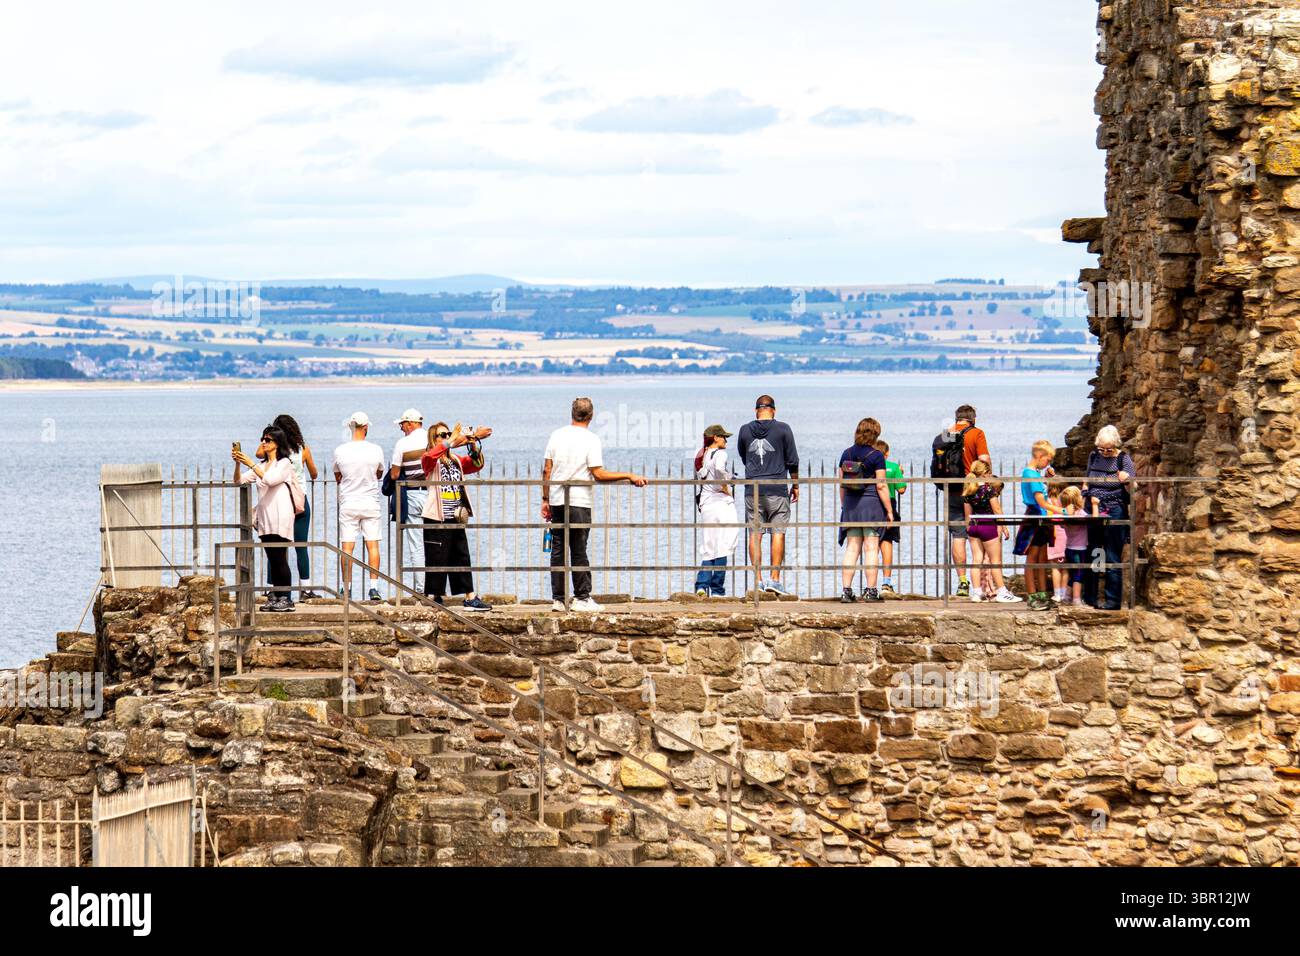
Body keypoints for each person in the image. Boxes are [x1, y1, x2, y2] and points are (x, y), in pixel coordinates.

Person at [542, 397, 647, 612]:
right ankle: (582, 597)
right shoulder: (591, 439)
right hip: (579, 501)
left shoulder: (556, 435)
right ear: (591, 416)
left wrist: (545, 499)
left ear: (572, 413)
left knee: (558, 550)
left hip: (557, 500)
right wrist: (629, 475)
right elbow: (598, 474)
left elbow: (547, 470)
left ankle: (559, 600)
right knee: (579, 549)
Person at [420, 421, 493, 611]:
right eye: (442, 435)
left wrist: (473, 444)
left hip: (456, 514)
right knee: (437, 556)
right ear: (433, 439)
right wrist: (452, 440)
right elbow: (429, 456)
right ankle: (433, 595)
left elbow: (476, 464)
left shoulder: (456, 460)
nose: (446, 437)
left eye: (448, 434)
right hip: (437, 515)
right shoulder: (430, 460)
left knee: (461, 555)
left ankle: (470, 596)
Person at [736, 394, 800, 597]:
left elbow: (744, 455)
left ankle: (757, 580)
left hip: (753, 489)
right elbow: (793, 460)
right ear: (773, 410)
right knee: (778, 533)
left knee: (755, 534)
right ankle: (775, 580)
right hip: (777, 488)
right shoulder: (783, 428)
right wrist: (795, 485)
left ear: (756, 410)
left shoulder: (745, 430)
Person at [233, 425, 298, 613]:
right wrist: (238, 463)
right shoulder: (261, 466)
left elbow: (271, 480)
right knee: (271, 557)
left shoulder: (284, 463)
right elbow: (238, 481)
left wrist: (251, 464)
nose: (264, 442)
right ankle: (276, 595)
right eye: (263, 439)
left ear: (277, 444)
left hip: (281, 514)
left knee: (280, 557)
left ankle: (286, 597)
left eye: (268, 440)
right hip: (265, 516)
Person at [931, 404, 991, 598]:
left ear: (957, 418)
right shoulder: (977, 433)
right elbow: (984, 459)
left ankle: (963, 582)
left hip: (951, 489)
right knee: (980, 534)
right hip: (972, 489)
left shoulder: (945, 435)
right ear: (973, 419)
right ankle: (982, 583)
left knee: (958, 535)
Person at [1081, 425, 1137, 610]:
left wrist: (1126, 478)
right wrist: (1085, 493)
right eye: (1102, 449)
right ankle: (1091, 598)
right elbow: (1087, 478)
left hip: (1114, 509)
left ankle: (1112, 601)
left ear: (1115, 445)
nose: (1105, 452)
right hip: (1094, 508)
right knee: (1095, 552)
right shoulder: (1093, 456)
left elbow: (1134, 484)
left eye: (1109, 449)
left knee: (1112, 555)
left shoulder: (1123, 459)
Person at [332, 412, 386, 602]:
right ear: (366, 428)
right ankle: (373, 588)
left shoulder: (340, 450)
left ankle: (346, 588)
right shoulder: (376, 450)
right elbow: (380, 473)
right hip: (370, 502)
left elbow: (337, 476)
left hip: (349, 502)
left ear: (350, 427)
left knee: (347, 546)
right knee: (372, 545)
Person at [838, 418, 893, 603]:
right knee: (871, 548)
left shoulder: (846, 453)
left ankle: (846, 591)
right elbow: (881, 485)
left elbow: (842, 484)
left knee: (852, 548)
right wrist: (889, 510)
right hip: (871, 505)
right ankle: (871, 591)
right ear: (875, 434)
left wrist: (844, 506)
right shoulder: (877, 455)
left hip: (851, 506)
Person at [272, 413, 320, 600]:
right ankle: (306, 589)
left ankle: (272, 588)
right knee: (301, 546)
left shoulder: (276, 452)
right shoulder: (303, 449)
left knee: (277, 547)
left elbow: (259, 453)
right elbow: (315, 474)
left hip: (282, 502)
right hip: (301, 501)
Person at [961, 460, 1020, 603]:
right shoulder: (988, 490)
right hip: (988, 526)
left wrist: (969, 529)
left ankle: (976, 592)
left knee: (976, 560)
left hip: (974, 527)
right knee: (995, 561)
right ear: (985, 474)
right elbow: (997, 510)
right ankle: (1001, 591)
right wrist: (1004, 526)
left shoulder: (968, 490)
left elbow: (968, 515)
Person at [693, 425, 739, 598]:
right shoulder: (721, 453)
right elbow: (719, 469)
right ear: (716, 438)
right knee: (725, 543)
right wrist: (727, 482)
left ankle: (702, 585)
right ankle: (718, 589)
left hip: (706, 504)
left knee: (709, 544)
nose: (726, 440)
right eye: (723, 437)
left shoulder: (701, 455)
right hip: (721, 503)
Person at [1014, 440, 1058, 611]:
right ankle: (1032, 595)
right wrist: (1062, 510)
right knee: (1032, 558)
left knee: (1041, 558)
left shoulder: (1035, 474)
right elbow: (1041, 501)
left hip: (1041, 517)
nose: (1049, 463)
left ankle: (1042, 593)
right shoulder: (1030, 474)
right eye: (1048, 460)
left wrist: (1046, 477)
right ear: (1040, 456)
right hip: (1035, 516)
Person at [389, 408, 429, 595]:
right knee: (435, 542)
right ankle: (436, 588)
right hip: (431, 493)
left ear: (411, 424)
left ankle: (420, 591)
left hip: (413, 495)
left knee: (416, 546)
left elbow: (395, 474)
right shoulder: (431, 439)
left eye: (402, 424)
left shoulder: (402, 444)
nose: (401, 428)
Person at [875, 439, 906, 594]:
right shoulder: (893, 467)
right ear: (887, 453)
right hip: (890, 503)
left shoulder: (870, 467)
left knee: (872, 544)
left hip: (873, 504)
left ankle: (871, 584)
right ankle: (886, 583)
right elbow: (902, 490)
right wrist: (900, 474)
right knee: (887, 543)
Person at [1060, 485, 1094, 606]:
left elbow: (1062, 526)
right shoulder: (1080, 513)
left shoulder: (1065, 516)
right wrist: (1094, 505)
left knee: (1073, 574)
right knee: (1079, 575)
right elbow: (1093, 520)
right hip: (1079, 550)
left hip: (1068, 549)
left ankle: (1067, 597)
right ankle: (1076, 599)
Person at [1046, 482, 1070, 604]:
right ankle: (1063, 593)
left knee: (1055, 567)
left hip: (1052, 535)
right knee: (1065, 567)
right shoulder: (1065, 503)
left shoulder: (1047, 502)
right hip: (1065, 534)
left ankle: (1057, 595)